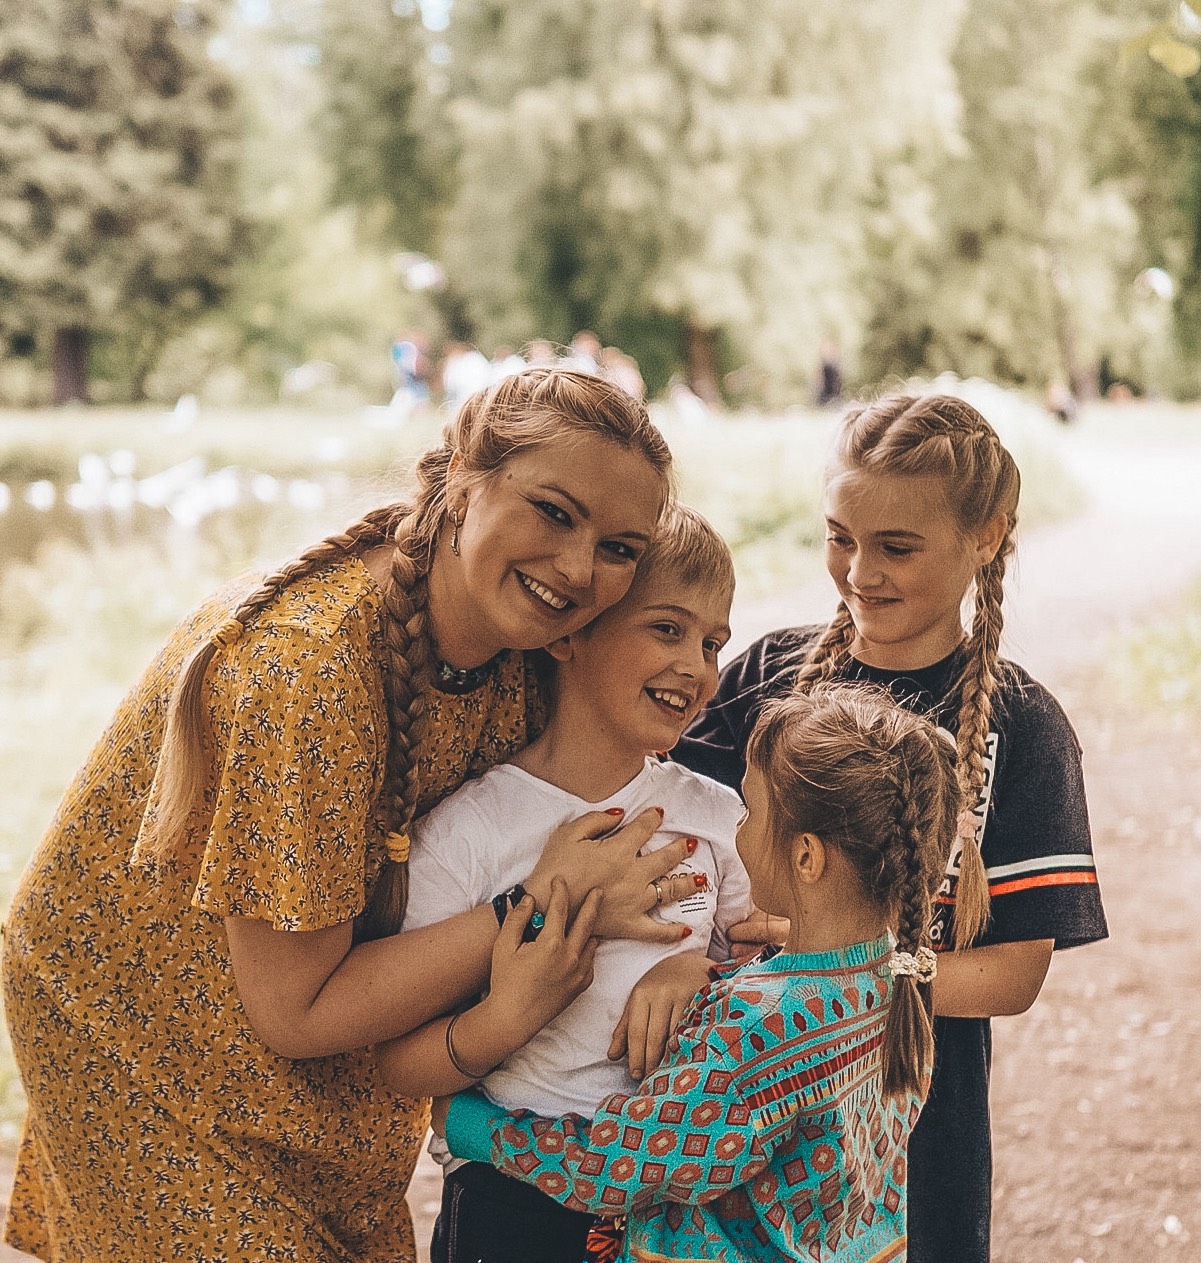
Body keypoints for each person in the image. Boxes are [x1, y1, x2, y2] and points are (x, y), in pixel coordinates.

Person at [1, 369, 706, 1263]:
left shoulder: (526, 647)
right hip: (141, 1030)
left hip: (323, 1031)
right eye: (554, 512)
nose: (577, 567)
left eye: (618, 547)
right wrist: (537, 902)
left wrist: (706, 945)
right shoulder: (313, 671)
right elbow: (297, 1012)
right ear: (460, 478)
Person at [674, 393, 1109, 1263]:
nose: (858, 570)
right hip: (734, 1142)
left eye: (895, 547)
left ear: (985, 536)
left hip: (917, 1146)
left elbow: (1013, 974)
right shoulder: (763, 675)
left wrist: (835, 967)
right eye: (840, 535)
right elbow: (678, 856)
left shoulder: (1023, 726)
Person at [440, 685, 959, 1262]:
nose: (736, 828)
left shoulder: (751, 1035)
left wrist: (475, 1128)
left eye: (752, 812)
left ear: (807, 857)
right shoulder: (894, 973)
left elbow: (618, 1166)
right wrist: (707, 974)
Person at [380, 503, 752, 1263]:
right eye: (668, 628)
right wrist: (509, 1015)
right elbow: (398, 1064)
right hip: (514, 1201)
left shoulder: (715, 815)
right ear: (570, 633)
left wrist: (701, 971)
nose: (697, 665)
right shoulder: (469, 831)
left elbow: (777, 963)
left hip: (678, 1197)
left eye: (712, 641)